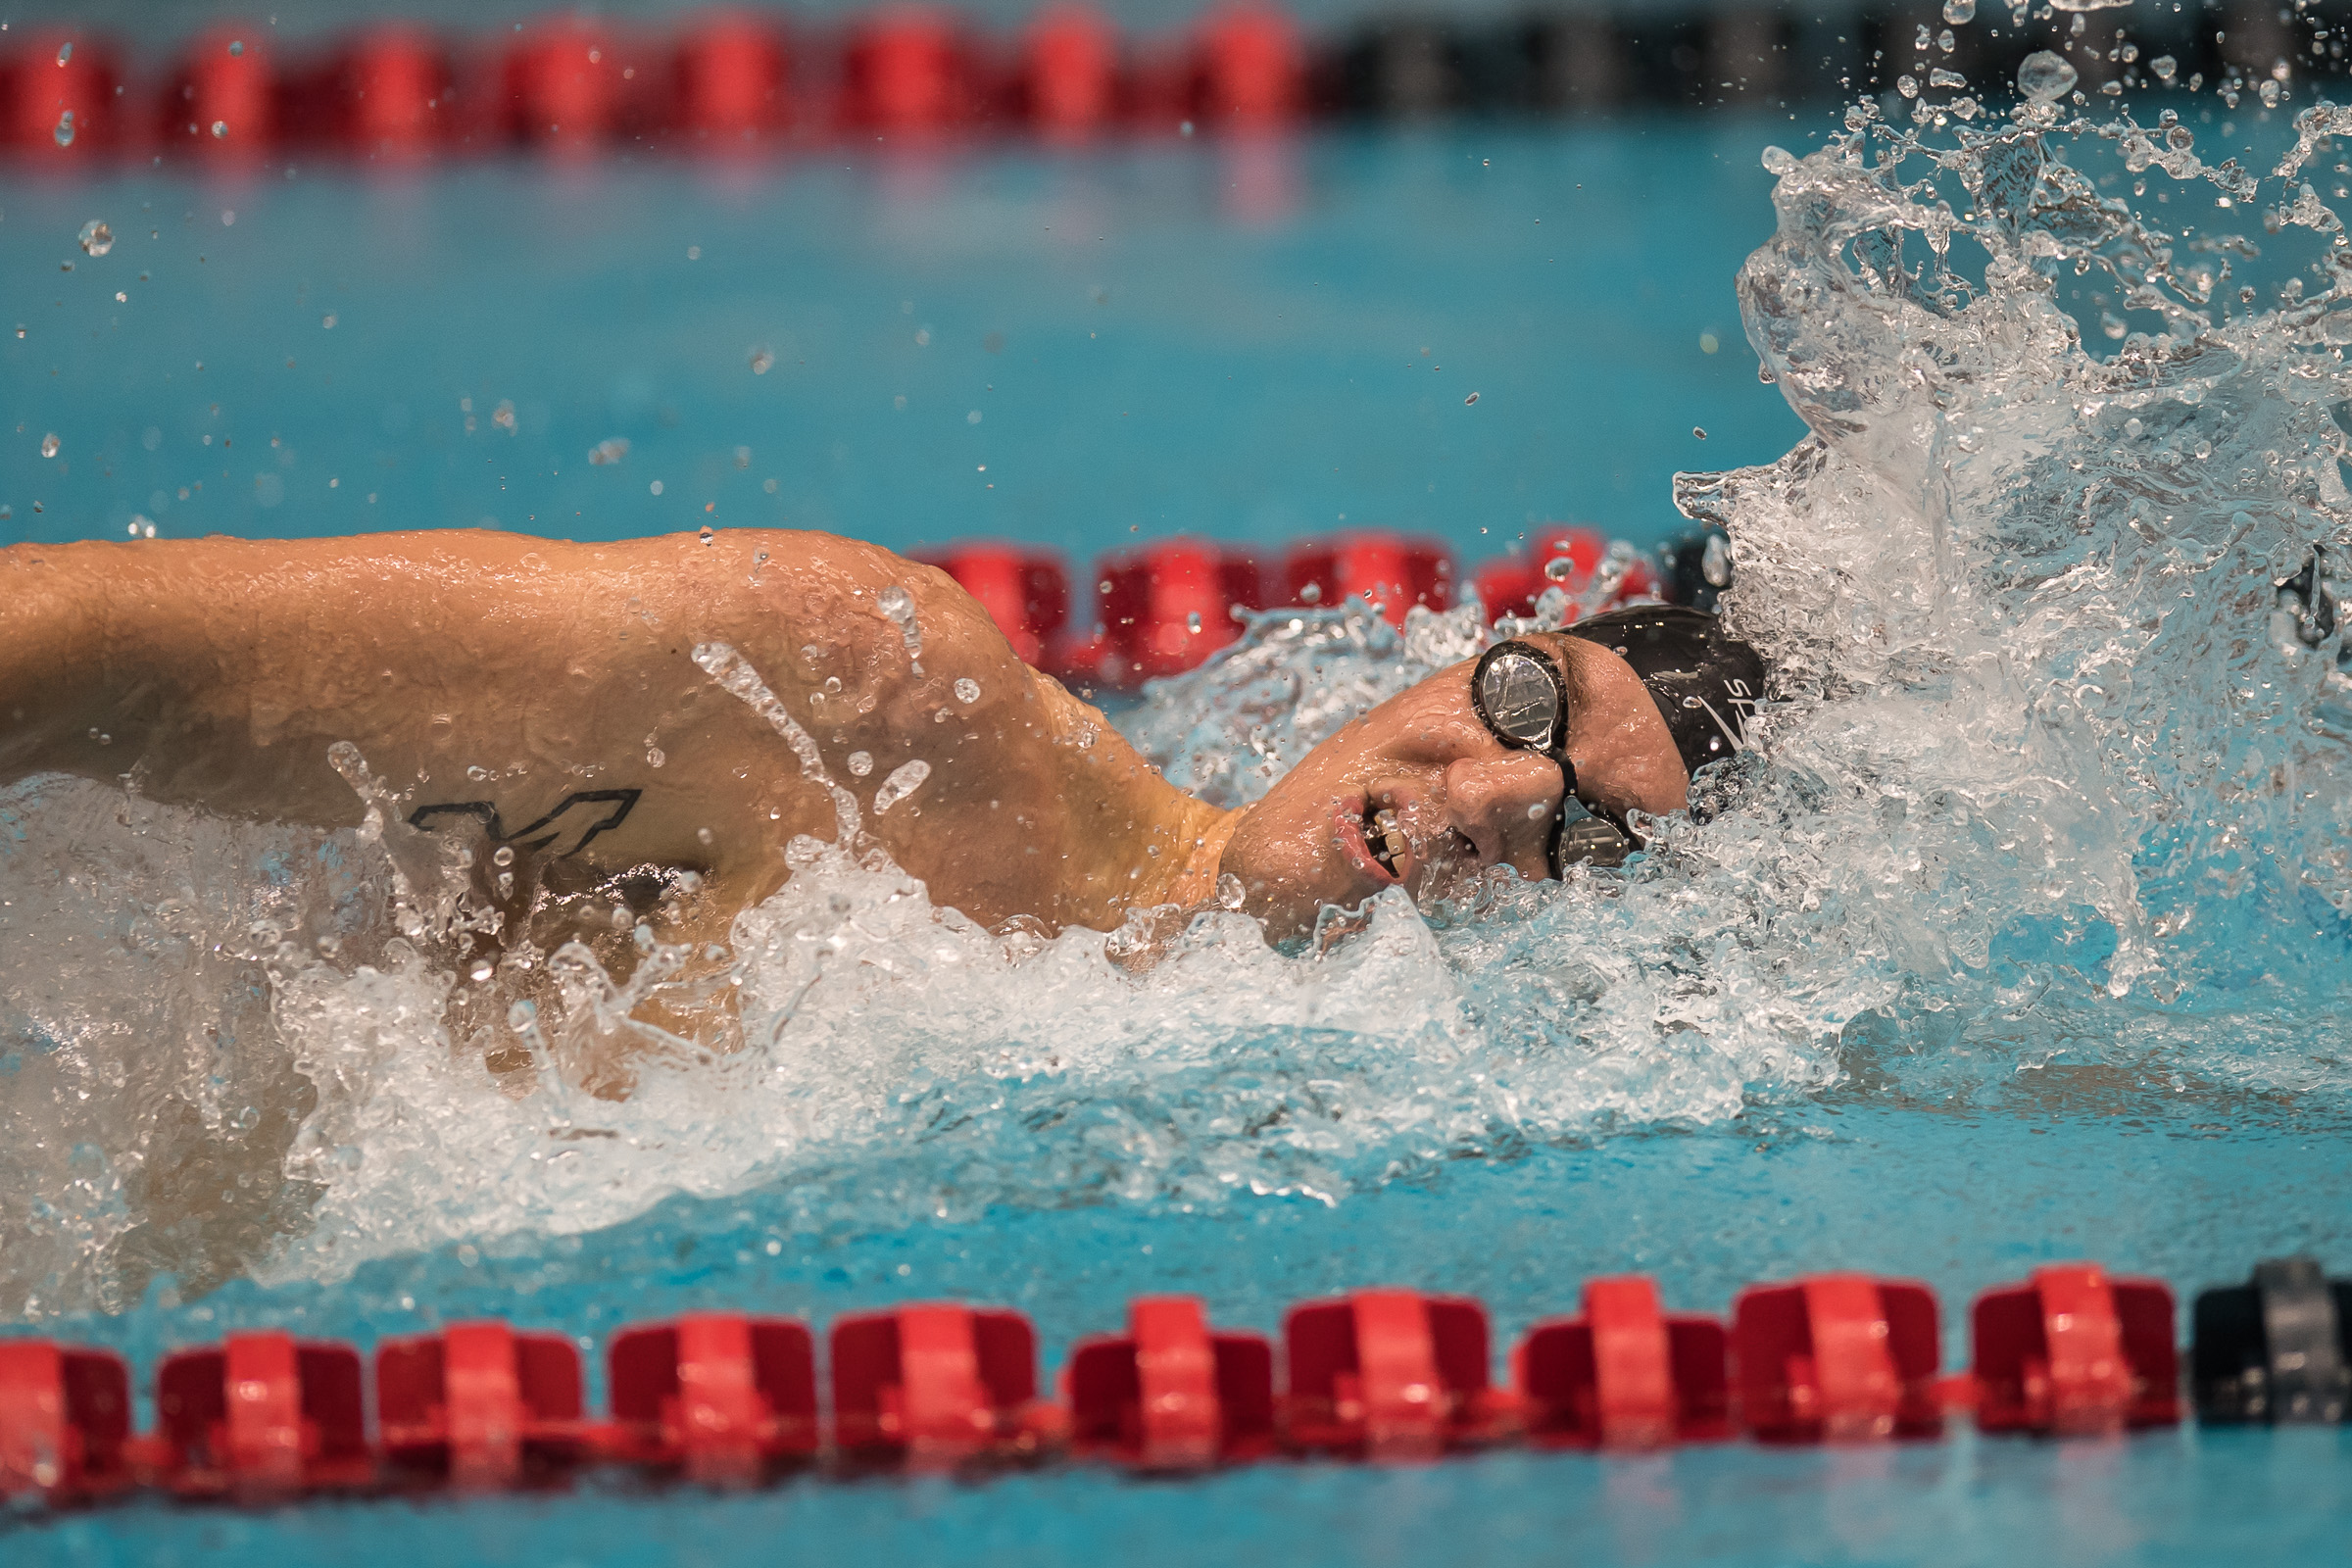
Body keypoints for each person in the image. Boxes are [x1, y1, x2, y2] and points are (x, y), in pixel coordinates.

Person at [0, 528, 1764, 963]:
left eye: (1586, 836)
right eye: (1527, 709)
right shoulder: (859, 697)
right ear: (1463, 656)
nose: (1498, 798)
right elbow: (78, 643)